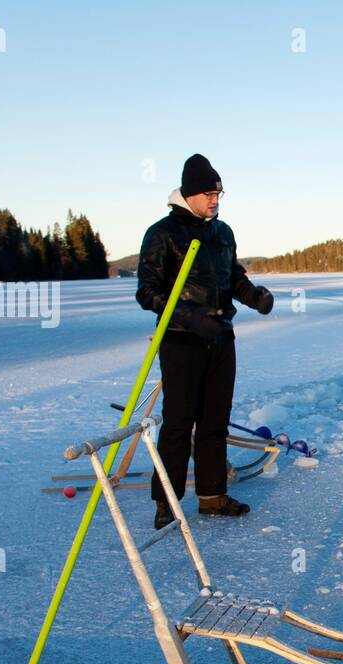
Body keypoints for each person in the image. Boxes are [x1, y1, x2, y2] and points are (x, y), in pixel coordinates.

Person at [136, 154, 274, 529]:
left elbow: (233, 277)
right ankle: (166, 501)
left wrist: (254, 296)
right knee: (179, 423)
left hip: (221, 340)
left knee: (215, 422)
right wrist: (189, 317)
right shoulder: (162, 234)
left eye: (219, 193)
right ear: (188, 194)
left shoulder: (222, 232)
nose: (215, 199)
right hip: (181, 341)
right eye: (208, 193)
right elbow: (147, 292)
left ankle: (212, 497)